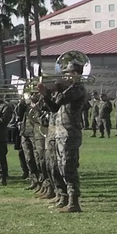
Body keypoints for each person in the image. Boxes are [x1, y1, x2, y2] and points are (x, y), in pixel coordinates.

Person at [39, 62, 88, 213]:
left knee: (68, 166)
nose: (65, 75)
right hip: (60, 132)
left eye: (69, 72)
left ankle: (74, 202)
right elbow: (51, 107)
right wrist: (47, 93)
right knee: (60, 166)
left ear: (76, 73)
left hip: (70, 132)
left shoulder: (77, 89)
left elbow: (55, 106)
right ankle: (65, 197)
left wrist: (48, 93)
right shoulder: (67, 89)